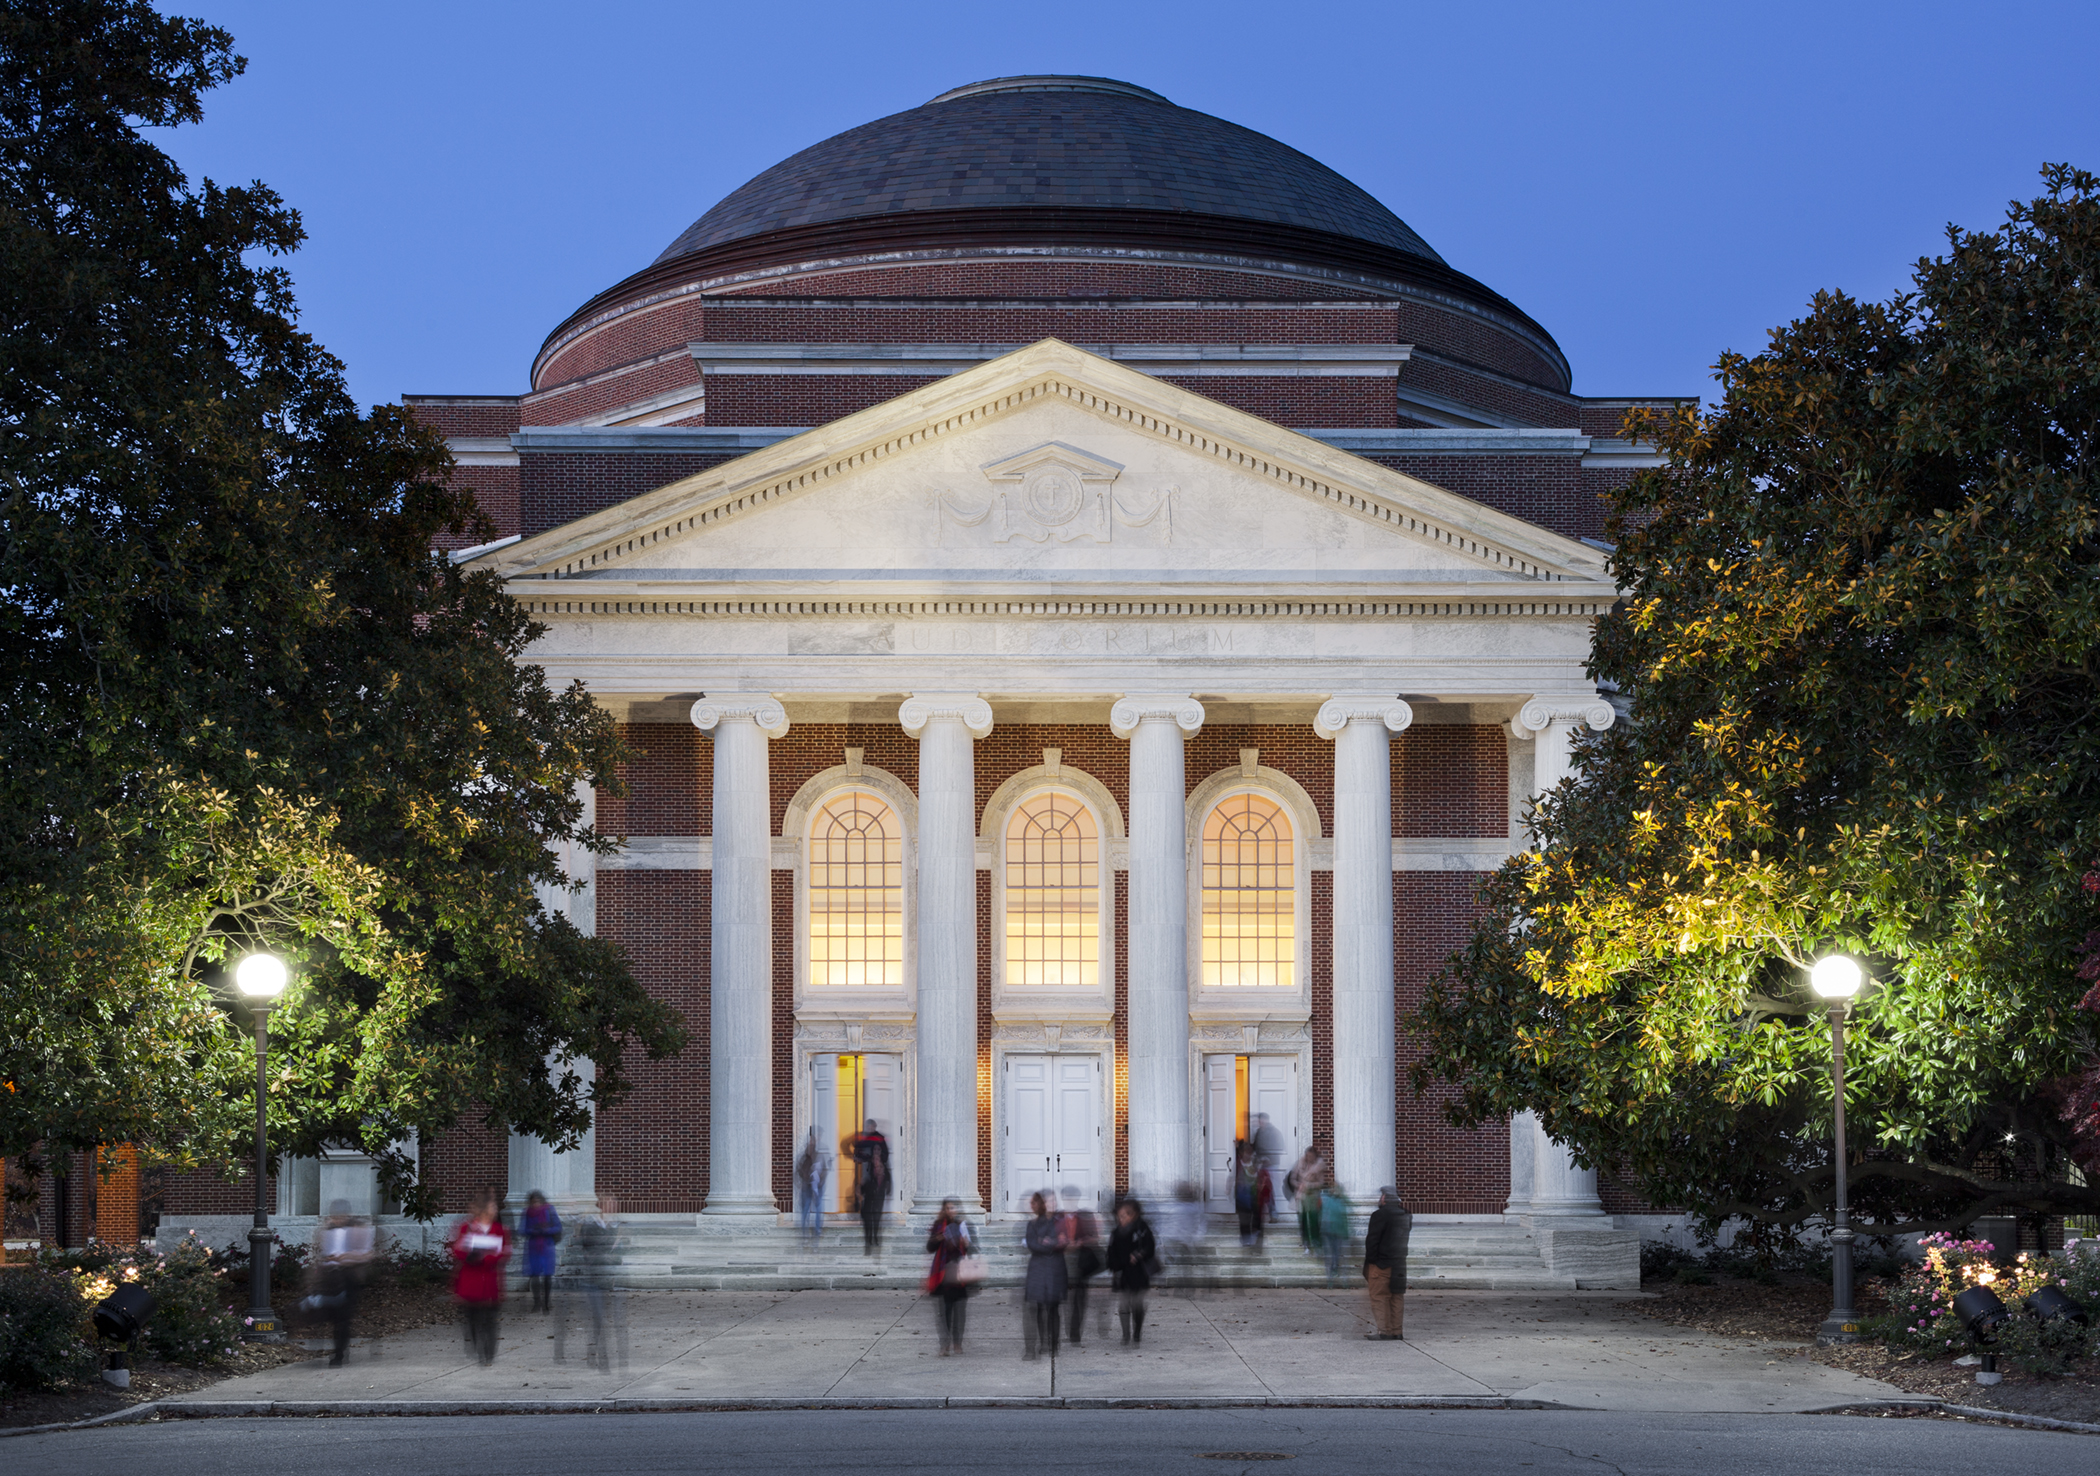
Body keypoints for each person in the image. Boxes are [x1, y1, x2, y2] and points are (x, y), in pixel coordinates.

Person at [566, 1192, 628, 1372]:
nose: (612, 1207)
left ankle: (604, 1356)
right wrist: (611, 1242)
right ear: (601, 1205)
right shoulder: (593, 1225)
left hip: (611, 1279)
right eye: (609, 1203)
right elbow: (586, 1244)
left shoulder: (616, 1226)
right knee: (598, 1320)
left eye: (614, 1204)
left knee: (615, 1321)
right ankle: (600, 1356)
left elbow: (618, 1253)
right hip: (593, 1278)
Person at [448, 1189, 509, 1365]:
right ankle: (475, 1344)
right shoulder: (466, 1227)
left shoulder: (499, 1229)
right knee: (472, 1317)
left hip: (490, 1281)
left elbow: (504, 1252)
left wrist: (485, 1257)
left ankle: (488, 1353)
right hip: (470, 1280)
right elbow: (457, 1249)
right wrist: (468, 1255)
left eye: (495, 1206)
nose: (495, 1209)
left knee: (490, 1319)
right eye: (492, 1206)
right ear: (483, 1209)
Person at [312, 1198, 374, 1366]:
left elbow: (367, 1254)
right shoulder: (327, 1230)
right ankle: (334, 1348)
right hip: (330, 1276)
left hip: (349, 1277)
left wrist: (347, 1257)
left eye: (340, 1216)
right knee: (331, 1314)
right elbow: (321, 1251)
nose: (337, 1220)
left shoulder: (359, 1230)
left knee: (343, 1317)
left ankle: (339, 1353)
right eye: (335, 1216)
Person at [924, 1198, 976, 1355]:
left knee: (959, 1311)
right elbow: (929, 1248)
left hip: (960, 1274)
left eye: (953, 1208)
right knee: (945, 1310)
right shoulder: (939, 1226)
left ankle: (957, 1343)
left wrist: (967, 1244)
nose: (950, 1210)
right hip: (943, 1273)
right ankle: (944, 1344)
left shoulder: (963, 1226)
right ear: (944, 1210)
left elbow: (972, 1250)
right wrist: (937, 1239)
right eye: (948, 1208)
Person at [1020, 1190, 1067, 1359]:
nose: (1053, 1204)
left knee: (1053, 1309)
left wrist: (1048, 1242)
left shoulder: (1061, 1222)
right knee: (1038, 1307)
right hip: (1038, 1270)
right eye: (1049, 1201)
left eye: (1055, 1201)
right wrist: (1051, 1244)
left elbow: (1064, 1242)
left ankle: (1054, 1345)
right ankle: (1041, 1344)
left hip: (1056, 1269)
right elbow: (1033, 1245)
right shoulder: (1032, 1224)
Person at [1105, 1196, 1156, 1346]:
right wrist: (1116, 1264)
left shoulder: (1142, 1229)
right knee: (1124, 1305)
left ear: (1133, 1215)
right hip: (1123, 1273)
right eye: (1119, 1216)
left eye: (1123, 1216)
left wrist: (1139, 1255)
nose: (1120, 1219)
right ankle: (1126, 1334)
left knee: (1137, 1304)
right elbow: (1110, 1253)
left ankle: (1137, 1333)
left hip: (1139, 1273)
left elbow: (1150, 1247)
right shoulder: (1116, 1233)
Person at [1362, 1186, 1412, 1340]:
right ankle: (1397, 1331)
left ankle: (1384, 1331)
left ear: (1384, 1198)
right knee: (1396, 1297)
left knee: (1380, 1297)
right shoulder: (1406, 1214)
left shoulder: (1379, 1215)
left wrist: (1371, 1262)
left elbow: (1372, 1241)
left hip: (1382, 1264)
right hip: (1399, 1263)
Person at [1061, 1186, 1102, 1344]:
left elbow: (1095, 1238)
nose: (1070, 1201)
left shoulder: (1086, 1215)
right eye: (1067, 1198)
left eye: (1072, 1198)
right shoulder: (1057, 1217)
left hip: (1080, 1262)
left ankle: (1074, 1334)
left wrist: (1080, 1242)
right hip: (1061, 1261)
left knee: (1078, 1300)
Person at [851, 1118, 890, 1255]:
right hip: (867, 1180)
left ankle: (874, 1239)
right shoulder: (863, 1139)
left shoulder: (879, 1139)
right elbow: (856, 1152)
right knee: (868, 1214)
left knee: (876, 1215)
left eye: (870, 1126)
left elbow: (885, 1157)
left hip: (876, 1185)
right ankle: (869, 1241)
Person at [519, 1190, 563, 1313]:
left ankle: (546, 1303)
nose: (535, 1204)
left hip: (547, 1246)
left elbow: (558, 1227)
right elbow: (523, 1230)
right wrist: (535, 1230)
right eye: (533, 1202)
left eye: (537, 1202)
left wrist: (545, 1230)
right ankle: (537, 1302)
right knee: (534, 1276)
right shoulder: (527, 1212)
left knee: (547, 1276)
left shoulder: (549, 1210)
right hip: (533, 1247)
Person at [1288, 1147, 1327, 1254]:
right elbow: (1292, 1179)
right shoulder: (1300, 1164)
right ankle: (1306, 1243)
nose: (1309, 1158)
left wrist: (1309, 1185)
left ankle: (1316, 1242)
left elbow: (1321, 1183)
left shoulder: (1319, 1166)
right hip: (1301, 1196)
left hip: (1313, 1196)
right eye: (1307, 1155)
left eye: (1311, 1156)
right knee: (1303, 1221)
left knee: (1314, 1220)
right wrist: (1298, 1185)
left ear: (1315, 1156)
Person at [795, 1127, 828, 1245]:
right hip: (807, 1186)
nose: (811, 1144)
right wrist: (805, 1177)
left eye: (812, 1142)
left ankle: (817, 1230)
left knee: (819, 1208)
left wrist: (820, 1180)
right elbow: (799, 1170)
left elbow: (824, 1169)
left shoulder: (820, 1155)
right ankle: (804, 1232)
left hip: (818, 1186)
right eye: (809, 1143)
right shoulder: (804, 1158)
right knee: (805, 1209)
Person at [1319, 1179, 1352, 1284]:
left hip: (1338, 1229)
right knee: (1330, 1251)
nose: (1334, 1190)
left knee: (1336, 1251)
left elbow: (1347, 1213)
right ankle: (1330, 1274)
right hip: (1327, 1229)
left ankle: (1334, 1269)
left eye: (1336, 1188)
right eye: (1333, 1187)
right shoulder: (1324, 1198)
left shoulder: (1342, 1200)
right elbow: (1320, 1213)